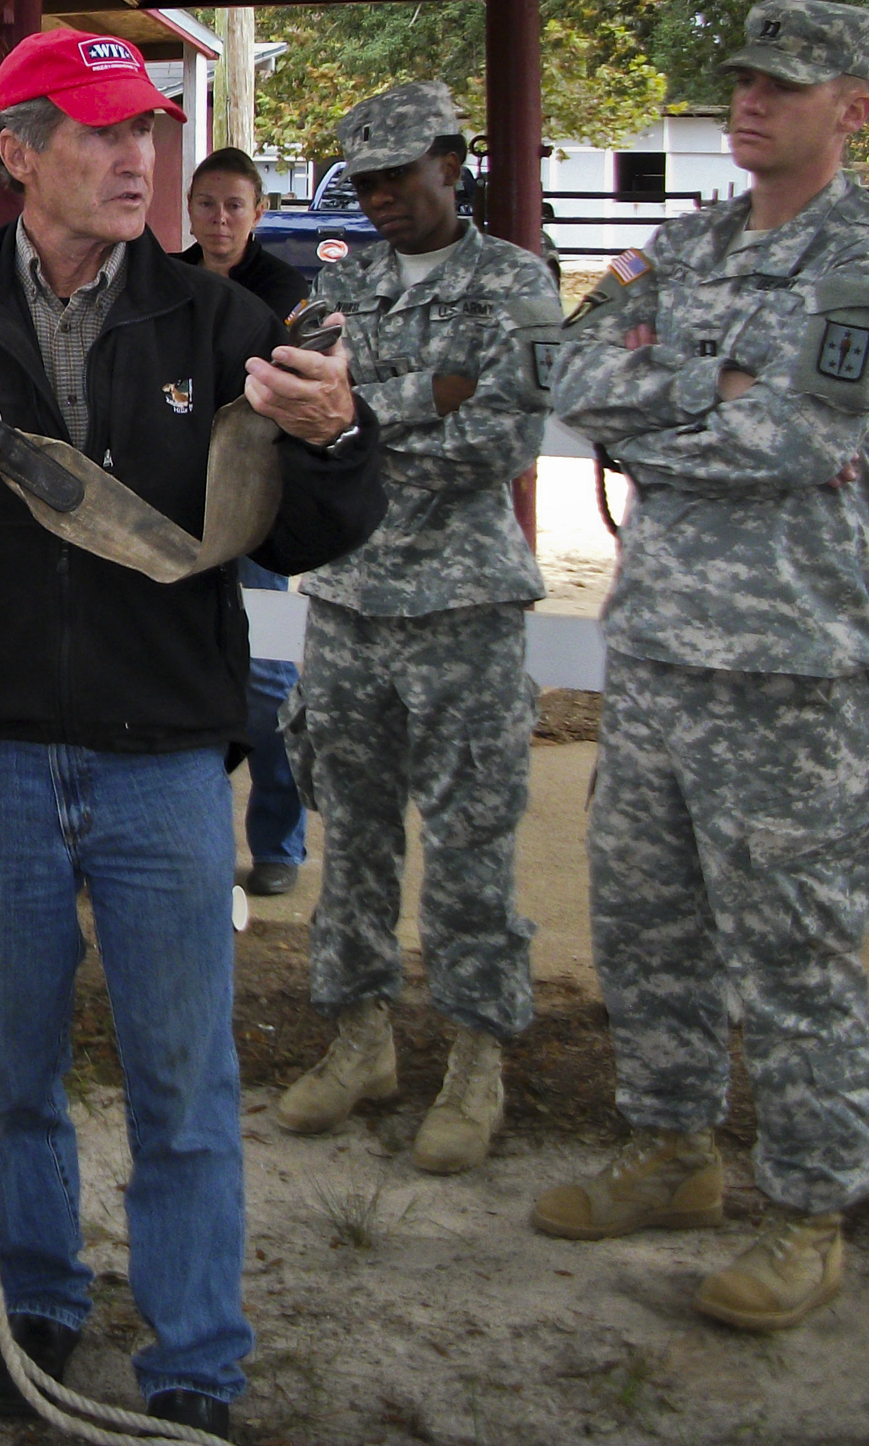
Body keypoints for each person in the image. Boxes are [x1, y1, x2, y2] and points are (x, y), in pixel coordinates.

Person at [0, 29, 384, 1440]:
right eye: (100, 131)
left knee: (186, 1081)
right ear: (14, 154)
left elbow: (321, 531)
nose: (139, 156)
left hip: (166, 765)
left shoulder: (221, 319)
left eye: (148, 130)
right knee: (9, 1070)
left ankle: (196, 1363)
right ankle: (41, 1314)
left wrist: (336, 437)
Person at [541, 0, 869, 1331]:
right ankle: (674, 1153)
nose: (754, 100)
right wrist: (701, 400)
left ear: (853, 110)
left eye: (788, 83)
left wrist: (675, 409)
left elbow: (790, 439)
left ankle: (810, 1210)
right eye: (745, 79)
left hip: (788, 671)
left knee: (793, 950)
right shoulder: (694, 241)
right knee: (649, 927)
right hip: (656, 649)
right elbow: (580, 368)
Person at [270, 82, 559, 1177]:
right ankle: (361, 1043)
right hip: (349, 601)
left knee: (473, 845)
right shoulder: (345, 283)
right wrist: (414, 397)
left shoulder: (515, 282)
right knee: (352, 837)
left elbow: (502, 438)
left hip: (463, 609)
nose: (382, 196)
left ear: (454, 162)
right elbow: (301, 422)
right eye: (367, 180)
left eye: (402, 174)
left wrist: (364, 415)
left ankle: (476, 1062)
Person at [176, 146, 311, 897]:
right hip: (175, 506)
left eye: (234, 205)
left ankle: (278, 842)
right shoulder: (163, 276)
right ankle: (190, 841)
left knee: (266, 680)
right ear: (189, 210)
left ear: (258, 213)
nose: (219, 219)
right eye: (206, 204)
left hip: (254, 505)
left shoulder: (285, 292)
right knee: (174, 670)